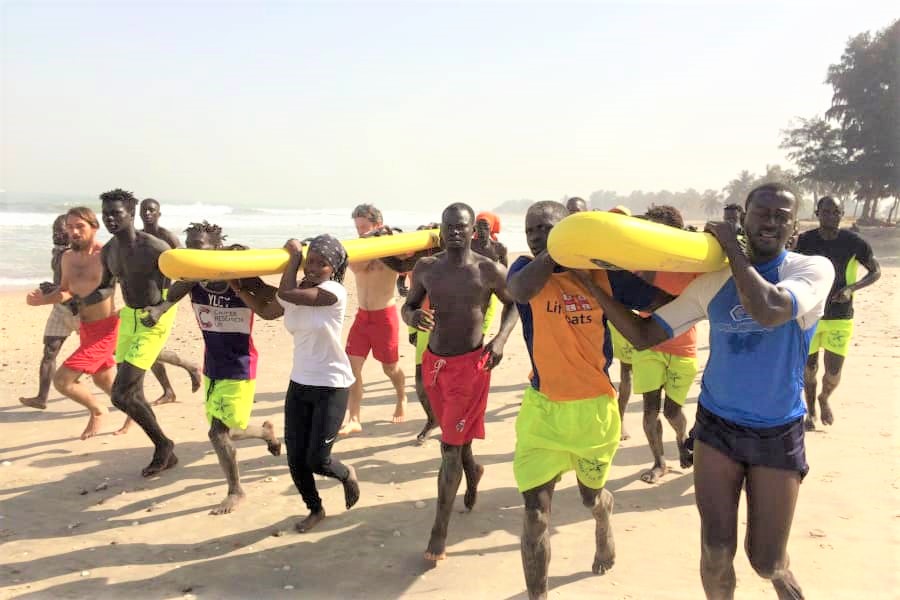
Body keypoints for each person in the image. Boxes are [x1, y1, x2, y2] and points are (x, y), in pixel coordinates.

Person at [587, 183, 834, 599]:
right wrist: (593, 288)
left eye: (781, 215)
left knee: (767, 561)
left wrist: (733, 249)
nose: (770, 222)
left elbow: (770, 310)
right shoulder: (713, 283)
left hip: (777, 429)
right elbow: (646, 333)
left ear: (794, 227)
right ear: (748, 217)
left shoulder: (810, 269)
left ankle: (783, 580)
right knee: (715, 551)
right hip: (717, 426)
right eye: (762, 212)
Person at [506, 200, 670, 599]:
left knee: (589, 497)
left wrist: (608, 290)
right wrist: (554, 251)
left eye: (546, 228)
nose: (535, 236)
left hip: (594, 411)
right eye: (530, 230)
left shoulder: (606, 277)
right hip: (542, 411)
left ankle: (603, 516)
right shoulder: (523, 269)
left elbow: (664, 304)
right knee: (534, 516)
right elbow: (520, 292)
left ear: (569, 229)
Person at [402, 202, 518, 563]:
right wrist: (413, 315)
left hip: (470, 367)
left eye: (461, 226)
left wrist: (499, 341)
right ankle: (474, 469)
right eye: (448, 226)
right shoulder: (426, 268)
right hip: (435, 364)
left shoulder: (487, 270)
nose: (455, 231)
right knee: (454, 437)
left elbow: (514, 305)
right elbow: (408, 305)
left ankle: (439, 531)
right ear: (440, 229)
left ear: (472, 230)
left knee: (449, 446)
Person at [143, 221, 284, 514]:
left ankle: (236, 490)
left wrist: (244, 272)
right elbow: (172, 296)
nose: (194, 253)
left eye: (201, 247)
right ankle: (266, 432)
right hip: (213, 362)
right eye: (190, 246)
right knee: (229, 431)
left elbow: (273, 306)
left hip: (241, 362)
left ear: (218, 248)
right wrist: (156, 312)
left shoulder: (241, 276)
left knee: (217, 433)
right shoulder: (193, 278)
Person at [276, 234, 361, 533]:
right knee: (295, 457)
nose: (312, 268)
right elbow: (270, 306)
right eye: (310, 261)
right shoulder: (298, 290)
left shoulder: (334, 291)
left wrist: (294, 258)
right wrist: (239, 283)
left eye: (321, 263)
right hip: (299, 383)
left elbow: (285, 293)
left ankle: (346, 473)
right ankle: (315, 508)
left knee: (317, 460)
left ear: (333, 268)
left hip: (331, 385)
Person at [98, 188, 180, 477]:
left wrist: (161, 308)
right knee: (133, 393)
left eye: (116, 213)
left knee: (120, 394)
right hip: (130, 319)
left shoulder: (154, 247)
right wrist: (69, 296)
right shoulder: (109, 250)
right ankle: (164, 448)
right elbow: (106, 286)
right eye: (106, 213)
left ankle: (164, 445)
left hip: (155, 317)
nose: (109, 218)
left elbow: (186, 279)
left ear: (130, 214)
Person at [25, 208, 119, 439]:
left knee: (63, 381)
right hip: (86, 328)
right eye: (69, 227)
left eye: (80, 226)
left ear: (94, 227)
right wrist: (42, 301)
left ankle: (98, 410)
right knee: (105, 381)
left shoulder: (107, 255)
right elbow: (66, 291)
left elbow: (130, 278)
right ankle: (135, 415)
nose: (73, 231)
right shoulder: (67, 257)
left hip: (106, 329)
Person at [794, 196, 880, 430]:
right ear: (817, 212)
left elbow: (875, 271)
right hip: (810, 315)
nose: (831, 216)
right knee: (808, 369)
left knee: (833, 373)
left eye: (836, 212)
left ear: (842, 214)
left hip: (841, 316)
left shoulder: (855, 242)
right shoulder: (805, 241)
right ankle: (810, 412)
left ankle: (825, 398)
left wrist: (851, 289)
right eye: (826, 211)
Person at [631, 206, 699, 483]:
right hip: (650, 344)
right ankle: (659, 461)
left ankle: (682, 439)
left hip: (683, 346)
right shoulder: (639, 263)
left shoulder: (694, 265)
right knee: (649, 409)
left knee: (672, 410)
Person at [339, 204, 407, 435]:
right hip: (362, 317)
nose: (360, 232)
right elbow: (357, 268)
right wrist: (370, 242)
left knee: (390, 368)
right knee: (351, 368)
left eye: (364, 227)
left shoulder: (391, 245)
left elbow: (408, 259)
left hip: (384, 317)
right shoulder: (360, 247)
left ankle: (401, 396)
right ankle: (354, 418)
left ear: (377, 225)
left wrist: (385, 240)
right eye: (357, 227)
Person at [139, 197, 202, 407]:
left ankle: (188, 368)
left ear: (158, 214)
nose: (147, 213)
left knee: (147, 347)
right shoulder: (137, 237)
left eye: (151, 210)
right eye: (144, 210)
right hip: (144, 297)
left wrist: (180, 291)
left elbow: (186, 261)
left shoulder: (166, 237)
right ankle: (170, 389)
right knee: (149, 347)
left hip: (164, 298)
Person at [19, 215, 80, 410]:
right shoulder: (58, 252)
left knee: (115, 353)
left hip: (81, 311)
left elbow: (79, 285)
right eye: (54, 229)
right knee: (49, 352)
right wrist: (52, 288)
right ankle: (41, 398)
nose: (56, 233)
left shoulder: (77, 255)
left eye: (61, 230)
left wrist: (52, 288)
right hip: (60, 309)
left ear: (72, 233)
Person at [607, 204, 635, 439]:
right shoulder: (600, 247)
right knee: (600, 365)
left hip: (628, 314)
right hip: (602, 315)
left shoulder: (635, 248)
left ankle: (620, 417)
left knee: (627, 371)